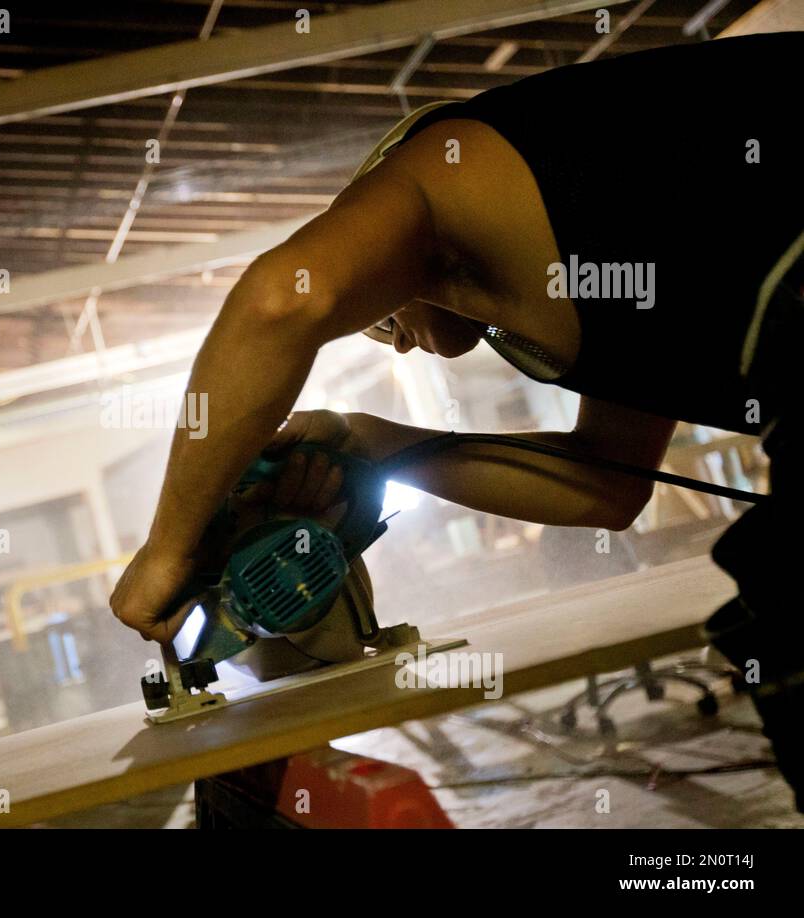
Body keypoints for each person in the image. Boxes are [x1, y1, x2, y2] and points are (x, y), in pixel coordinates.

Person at [108, 33, 803, 805]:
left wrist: (167, 548)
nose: (398, 342)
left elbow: (283, 300)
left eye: (379, 316)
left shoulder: (440, 172)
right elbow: (608, 484)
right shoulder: (632, 260)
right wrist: (377, 443)